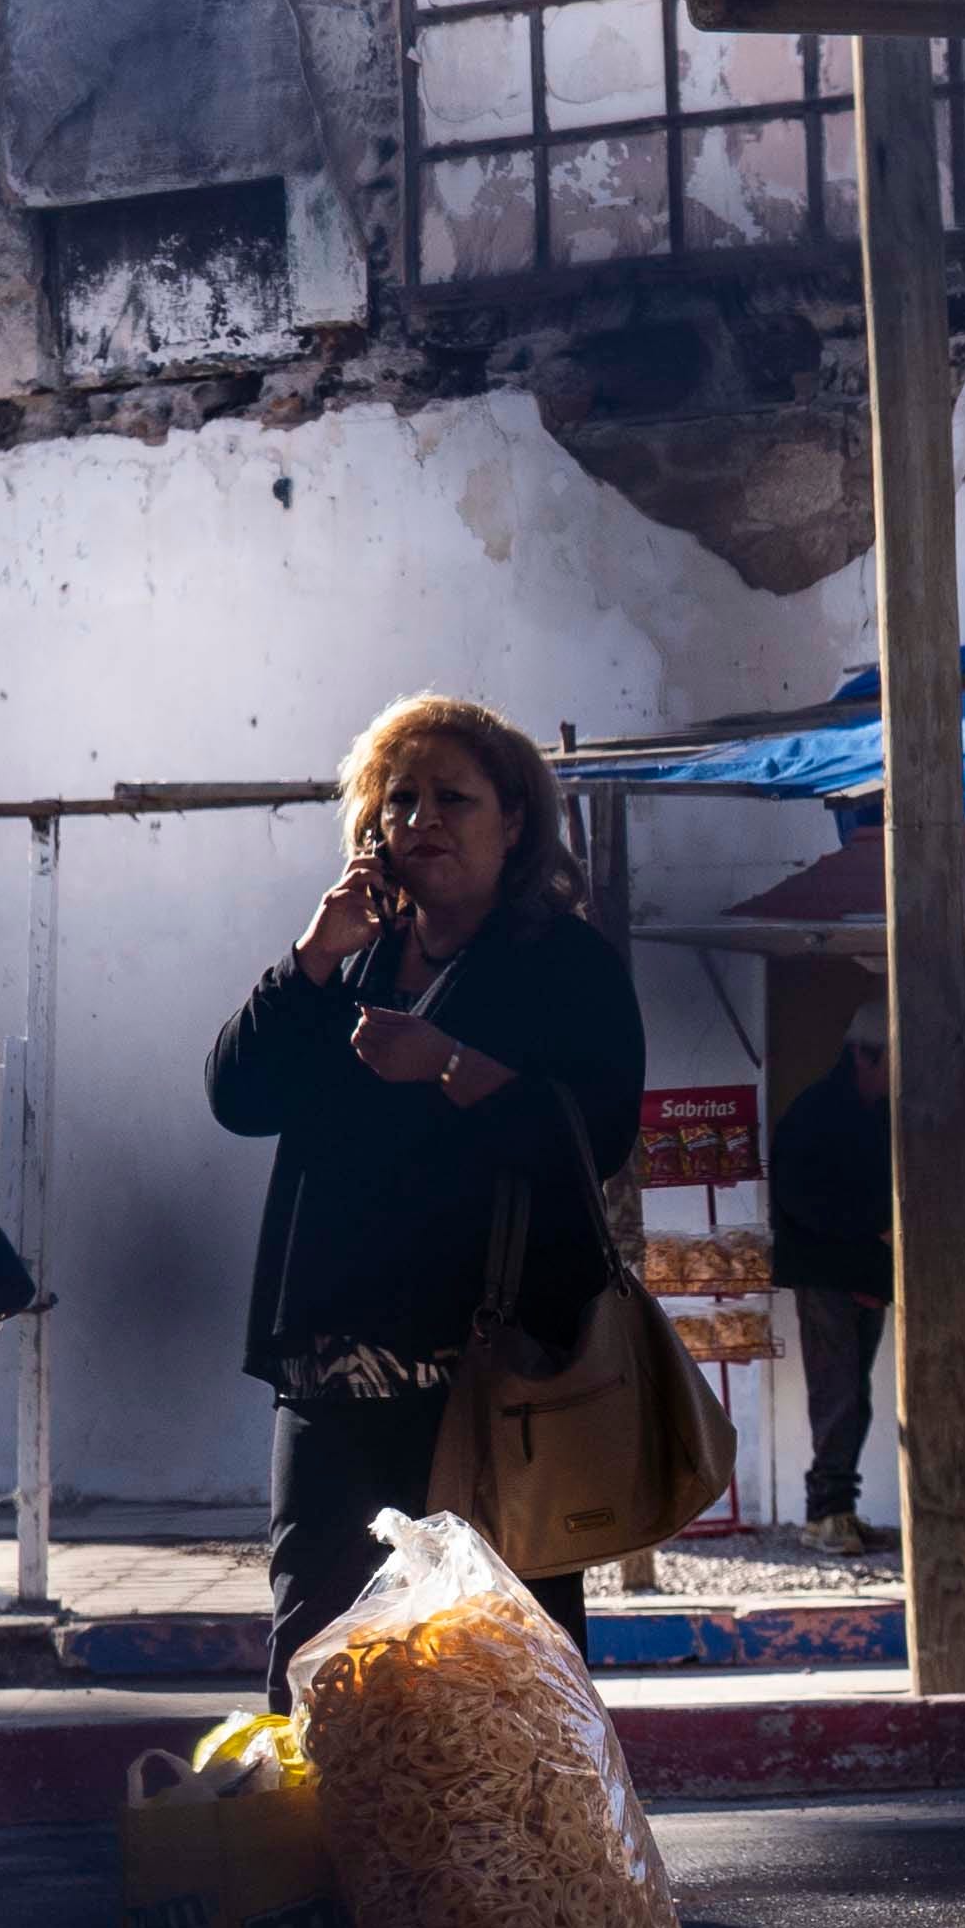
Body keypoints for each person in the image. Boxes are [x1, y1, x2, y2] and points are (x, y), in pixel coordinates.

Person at [208, 694, 647, 1705]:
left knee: (497, 1657)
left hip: (486, 1371)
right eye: (399, 800)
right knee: (317, 1638)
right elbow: (237, 1095)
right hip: (327, 1363)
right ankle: (320, 1859)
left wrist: (448, 1062)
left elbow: (598, 1132)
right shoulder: (351, 955)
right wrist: (312, 956)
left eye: (454, 797)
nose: (423, 821)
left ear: (515, 821)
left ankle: (508, 1862)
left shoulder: (563, 963)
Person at [771, 1002, 892, 1558]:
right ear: (864, 1055)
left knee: (854, 1397)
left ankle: (839, 1507)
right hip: (827, 1278)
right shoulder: (816, 1113)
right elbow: (800, 1205)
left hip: (861, 1274)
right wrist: (872, 1231)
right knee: (838, 1396)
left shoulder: (875, 1113)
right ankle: (825, 1515)